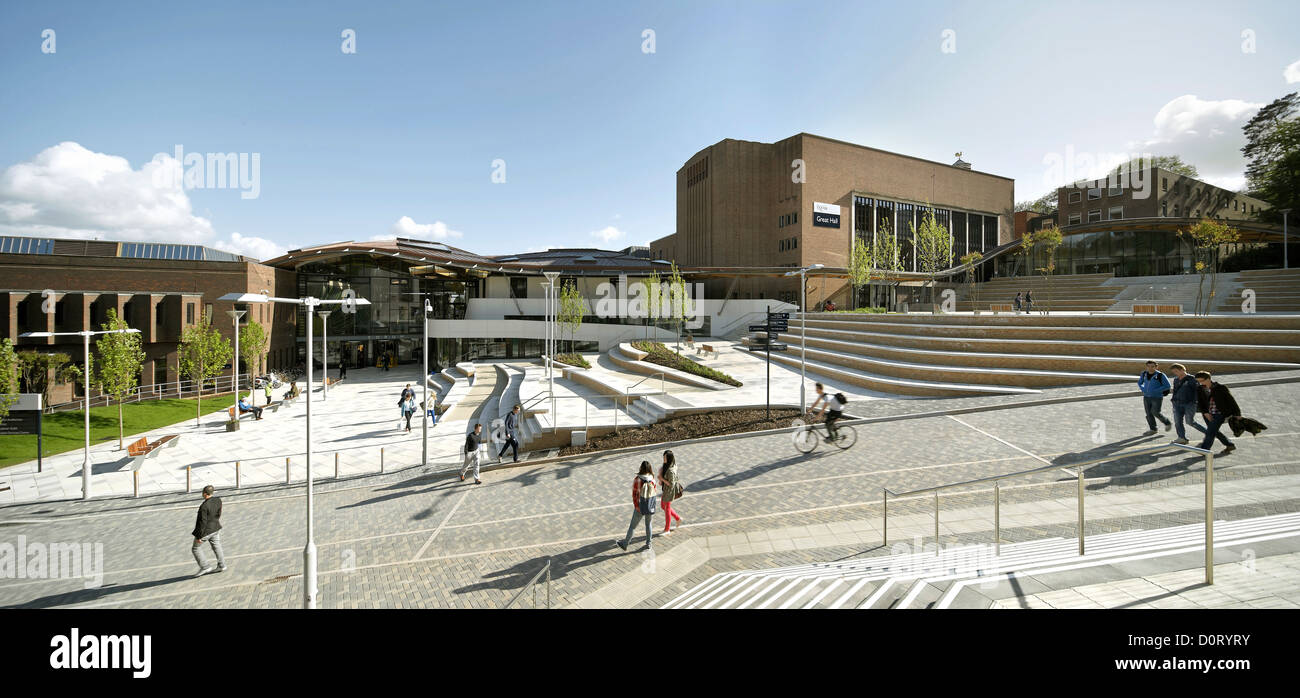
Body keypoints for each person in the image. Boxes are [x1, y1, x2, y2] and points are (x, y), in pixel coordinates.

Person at [616, 461, 658, 552]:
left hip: (640, 506)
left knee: (632, 527)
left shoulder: (637, 479)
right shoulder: (652, 480)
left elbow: (634, 494)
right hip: (649, 506)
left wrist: (637, 506)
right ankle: (648, 543)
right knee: (648, 524)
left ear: (641, 468)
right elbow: (654, 493)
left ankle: (625, 544)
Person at [1195, 371, 1238, 455]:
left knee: (1210, 432)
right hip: (1207, 414)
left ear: (1208, 379)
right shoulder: (1200, 389)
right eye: (1198, 381)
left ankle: (1204, 450)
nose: (1200, 383)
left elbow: (1231, 401)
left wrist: (1237, 414)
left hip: (1219, 414)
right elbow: (1200, 402)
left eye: (1202, 381)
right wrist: (1205, 413)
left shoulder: (1221, 388)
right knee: (1214, 431)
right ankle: (1229, 445)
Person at [1168, 363, 1207, 445]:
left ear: (1182, 370)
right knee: (1177, 422)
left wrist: (1194, 402)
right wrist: (1173, 400)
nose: (1175, 373)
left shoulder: (1192, 379)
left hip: (1189, 404)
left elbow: (1198, 391)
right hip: (1177, 403)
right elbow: (1175, 390)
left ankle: (1209, 433)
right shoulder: (1176, 380)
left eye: (1176, 371)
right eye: (1173, 372)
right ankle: (1181, 438)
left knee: (1190, 422)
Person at [191, 485, 226, 577]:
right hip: (216, 527)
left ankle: (205, 567)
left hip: (206, 531)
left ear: (205, 494)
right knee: (217, 546)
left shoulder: (204, 506)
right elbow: (219, 513)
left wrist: (199, 536)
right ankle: (222, 565)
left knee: (195, 548)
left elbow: (202, 522)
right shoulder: (218, 500)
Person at [1137, 360, 1173, 435]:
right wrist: (1142, 388)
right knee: (1148, 414)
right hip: (1146, 397)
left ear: (1156, 367)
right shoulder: (1144, 374)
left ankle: (1167, 422)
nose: (1150, 368)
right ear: (1146, 366)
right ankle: (1153, 429)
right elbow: (1140, 382)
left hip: (1157, 397)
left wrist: (1156, 390)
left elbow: (1167, 386)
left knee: (1155, 412)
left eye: (1152, 366)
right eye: (1148, 366)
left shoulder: (1160, 375)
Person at [659, 450, 683, 534]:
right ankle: (677, 518)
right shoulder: (668, 465)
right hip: (665, 490)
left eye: (665, 457)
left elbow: (671, 484)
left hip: (669, 491)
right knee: (663, 506)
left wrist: (662, 479)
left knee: (667, 508)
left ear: (669, 458)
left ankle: (667, 529)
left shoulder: (670, 470)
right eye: (663, 457)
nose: (663, 459)